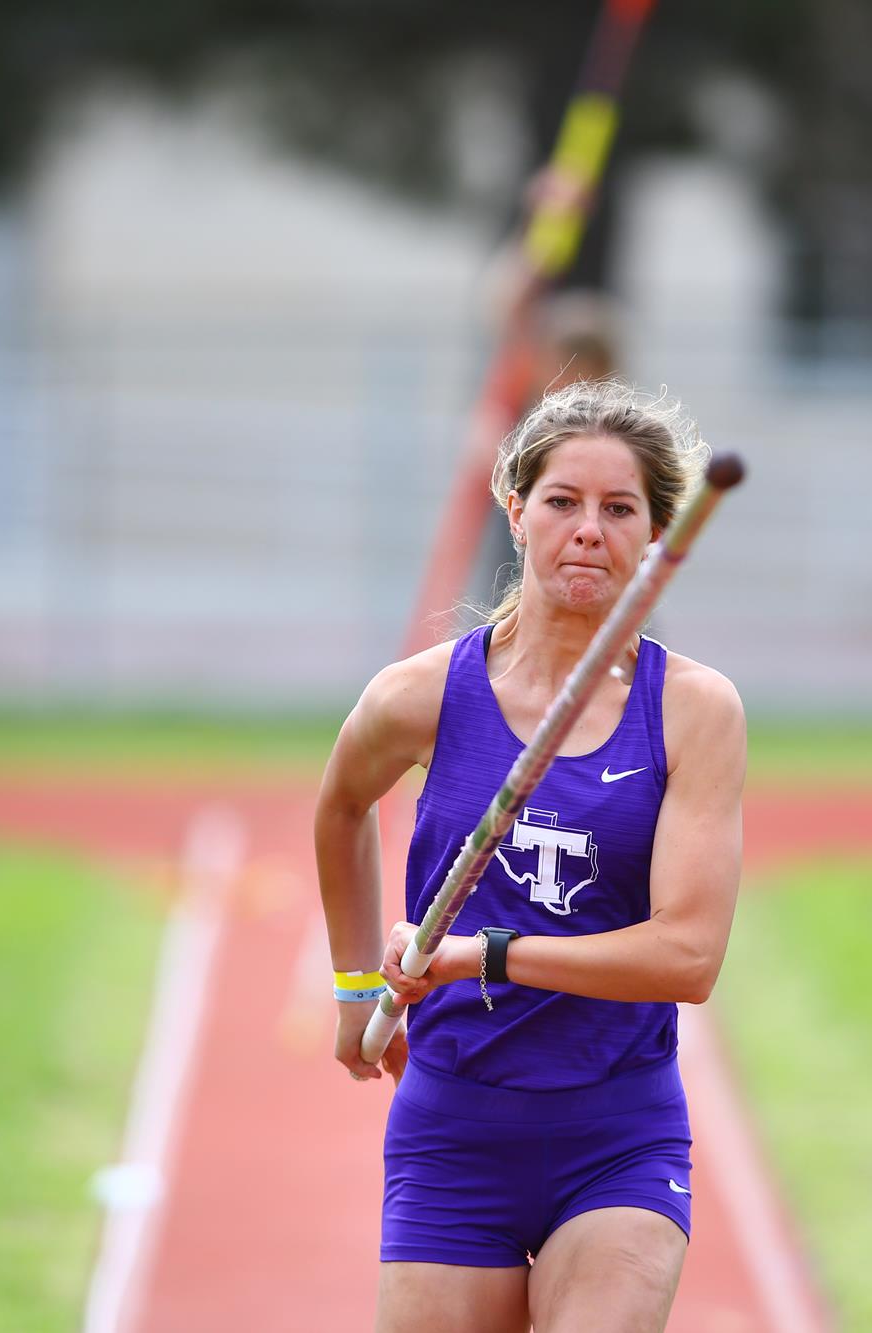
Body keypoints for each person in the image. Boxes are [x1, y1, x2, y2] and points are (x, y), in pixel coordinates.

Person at [314, 379, 747, 1333]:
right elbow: (342, 804)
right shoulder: (419, 696)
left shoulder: (692, 712)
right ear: (516, 512)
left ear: (655, 535)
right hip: (453, 1125)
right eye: (562, 502)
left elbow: (687, 958)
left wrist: (486, 953)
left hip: (617, 1132)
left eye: (618, 508)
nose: (587, 530)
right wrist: (354, 986)